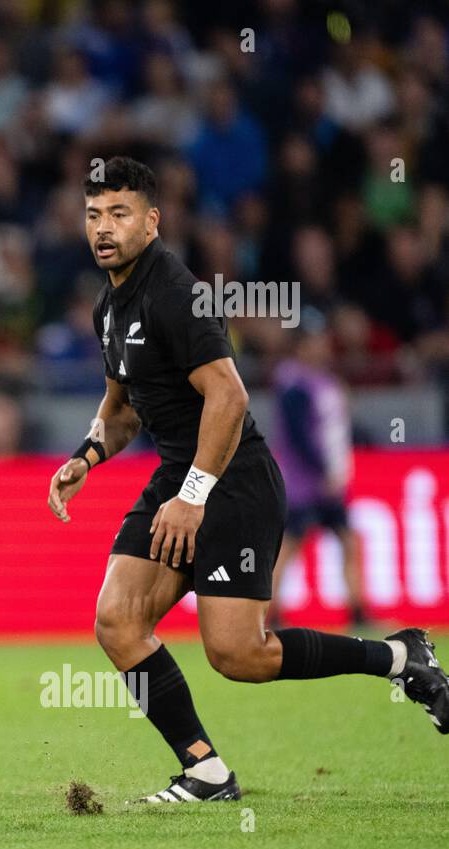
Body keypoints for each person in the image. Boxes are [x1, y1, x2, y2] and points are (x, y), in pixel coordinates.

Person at [47, 157, 447, 803]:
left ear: (152, 221)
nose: (104, 228)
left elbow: (229, 397)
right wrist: (86, 457)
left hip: (231, 480)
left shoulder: (176, 294)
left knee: (240, 656)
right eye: (94, 215)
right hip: (178, 478)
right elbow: (120, 407)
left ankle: (401, 658)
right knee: (117, 621)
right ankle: (205, 772)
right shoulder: (108, 306)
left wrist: (194, 496)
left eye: (119, 214)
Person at [268, 314, 369, 628]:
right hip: (305, 484)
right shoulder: (294, 384)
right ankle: (271, 611)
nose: (322, 346)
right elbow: (298, 436)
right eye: (315, 341)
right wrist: (325, 470)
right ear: (301, 346)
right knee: (292, 546)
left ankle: (358, 611)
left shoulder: (323, 382)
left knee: (347, 541)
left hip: (327, 484)